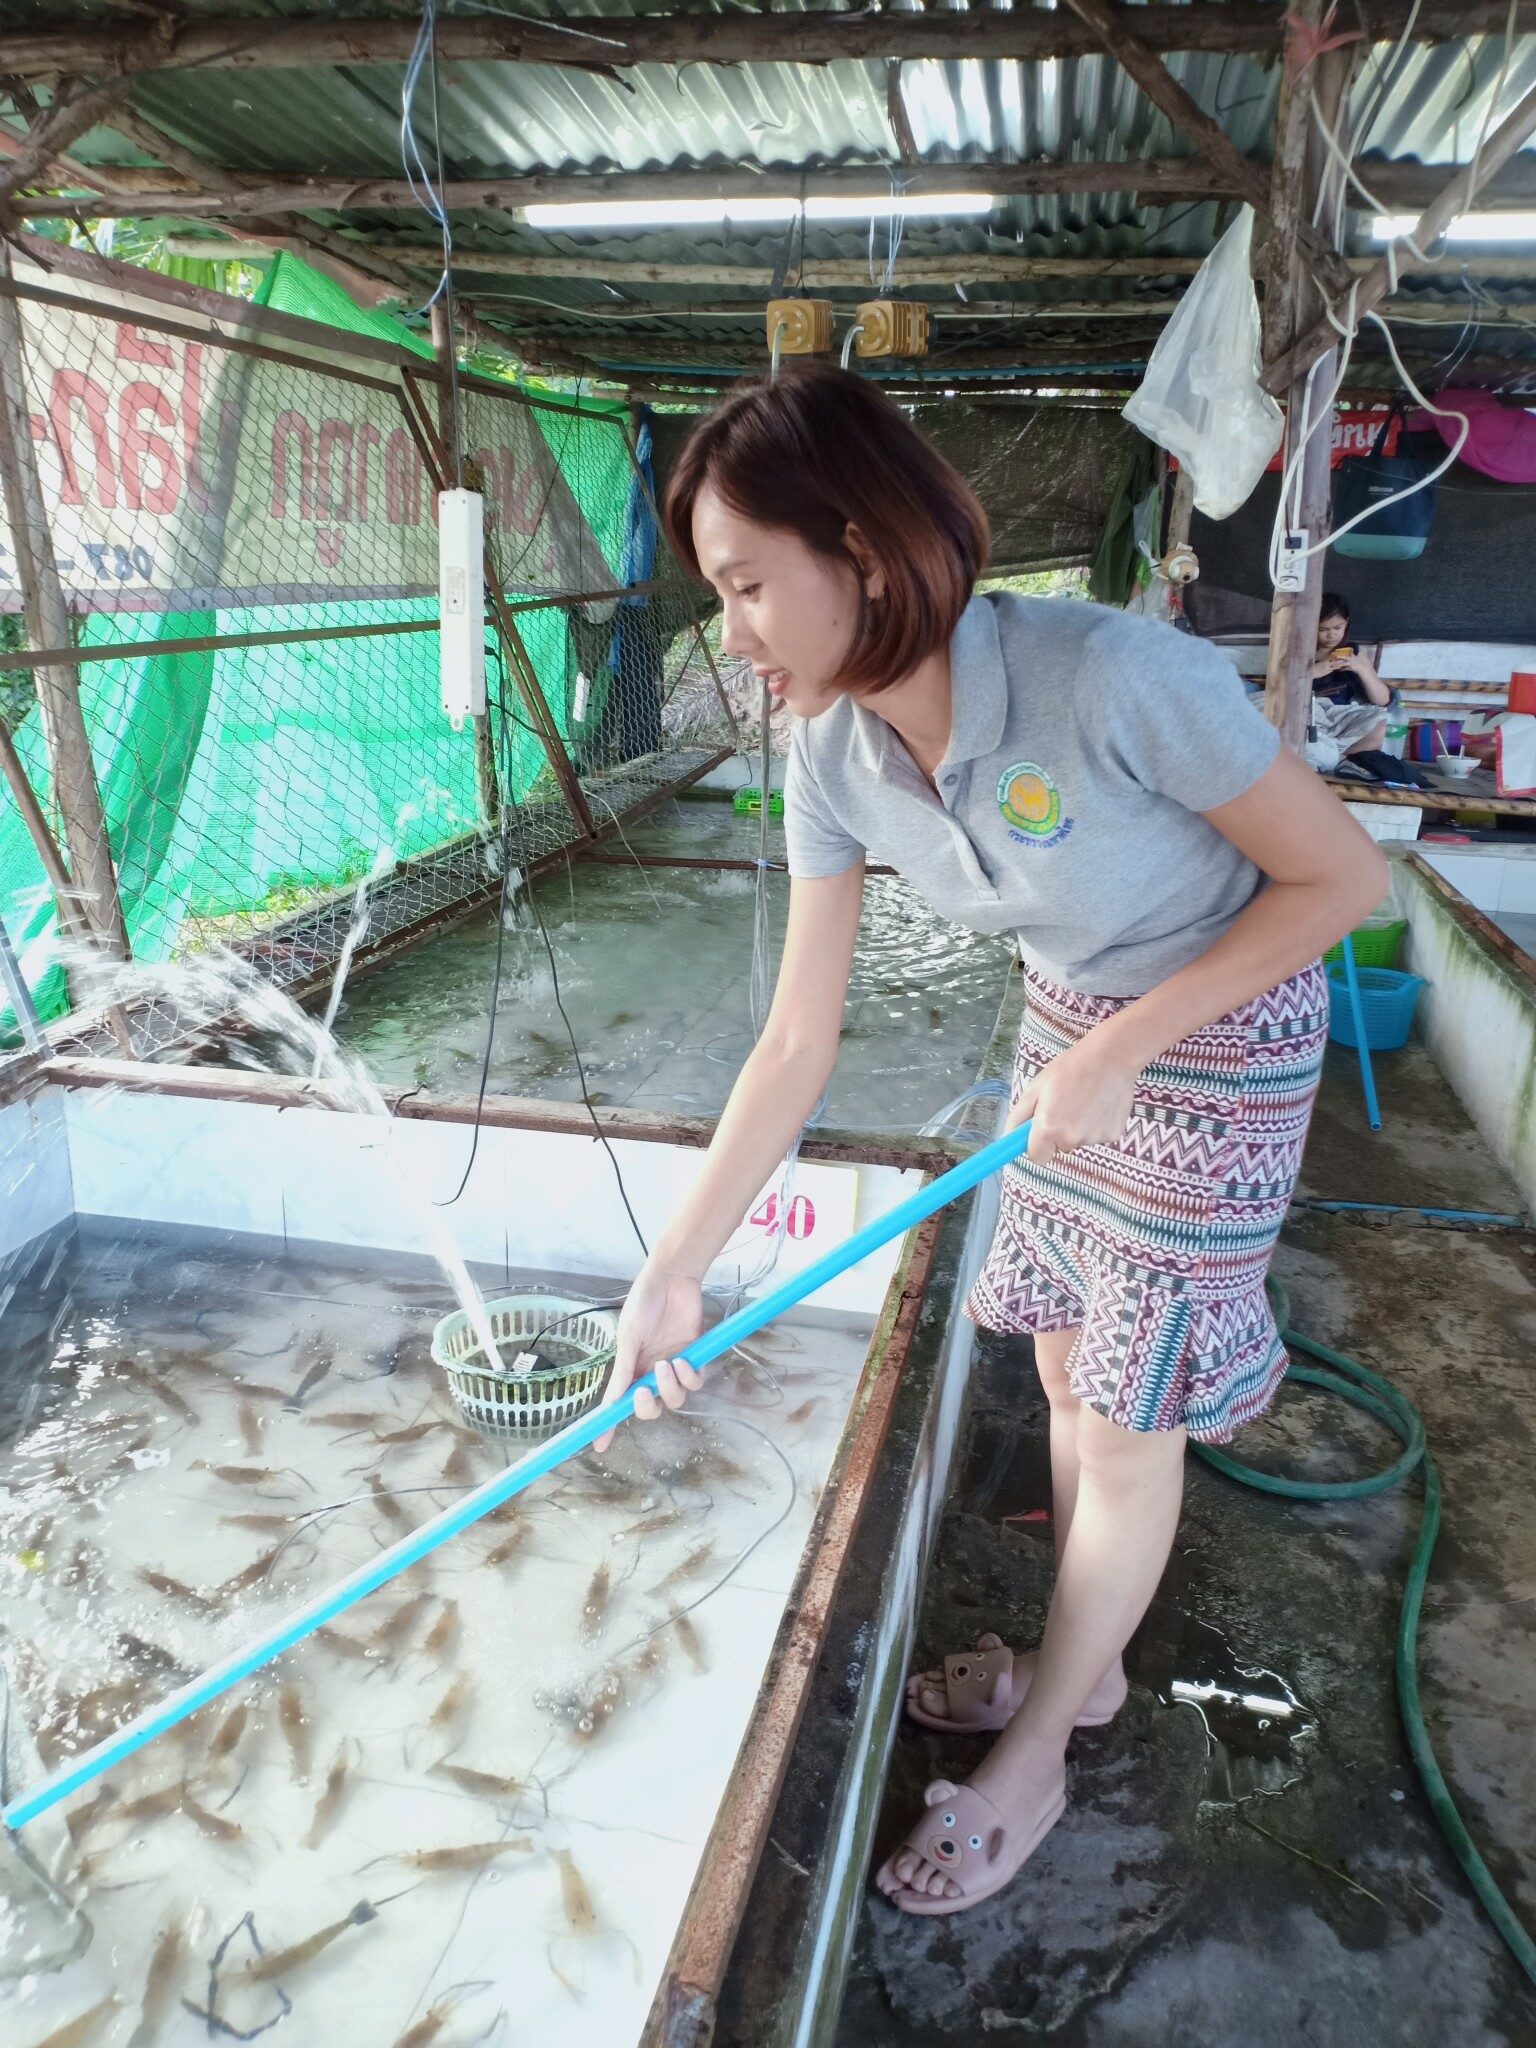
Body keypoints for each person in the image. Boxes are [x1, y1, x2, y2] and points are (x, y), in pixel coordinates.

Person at [597, 364, 1387, 1918]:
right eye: (720, 594)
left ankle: (1036, 1752)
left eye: (750, 586)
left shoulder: (1112, 676)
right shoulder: (830, 757)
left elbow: (1341, 886)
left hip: (1219, 1032)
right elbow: (794, 1041)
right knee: (1058, 1361)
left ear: (866, 554)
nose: (731, 632)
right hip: (1073, 1025)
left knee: (1127, 1399)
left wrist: (1133, 1044)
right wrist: (672, 1270)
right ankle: (1080, 1673)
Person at [1308, 593, 1433, 787]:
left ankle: (1336, 757)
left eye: (1337, 628)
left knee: (1383, 727)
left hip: (1344, 720)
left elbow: (1383, 700)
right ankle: (1335, 759)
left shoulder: (1354, 653)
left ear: (1346, 624)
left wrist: (1361, 668)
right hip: (1312, 719)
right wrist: (1315, 671)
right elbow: (1284, 689)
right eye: (1323, 629)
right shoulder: (1299, 652)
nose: (1331, 634)